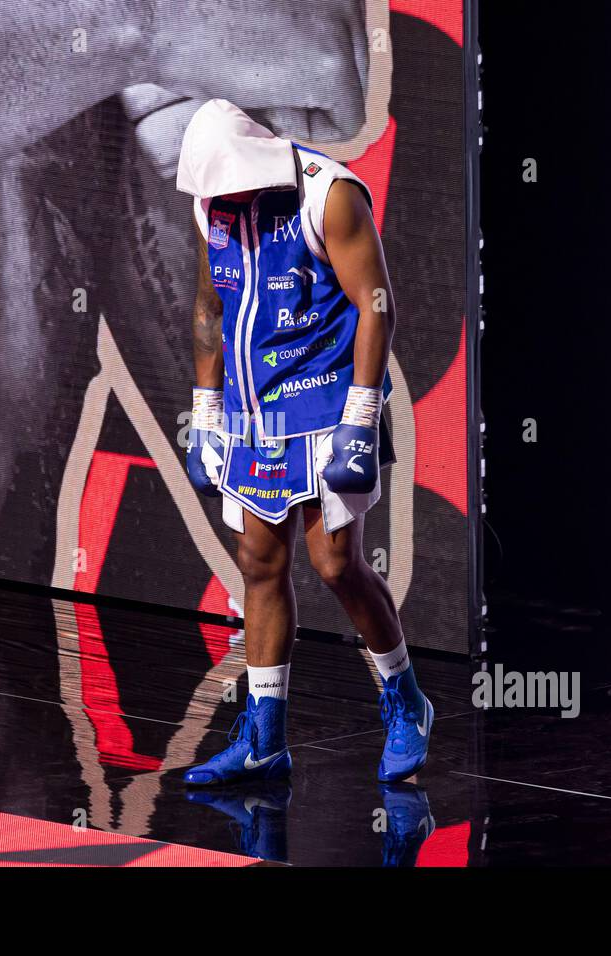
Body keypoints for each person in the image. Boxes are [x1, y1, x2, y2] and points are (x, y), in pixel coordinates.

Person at [177, 99, 432, 785]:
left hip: (328, 402)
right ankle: (264, 738)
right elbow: (211, 305)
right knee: (258, 561)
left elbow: (377, 305)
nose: (220, 201)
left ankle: (405, 700)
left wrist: (361, 416)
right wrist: (205, 409)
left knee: (334, 561)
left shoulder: (331, 195)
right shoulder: (215, 205)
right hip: (254, 410)